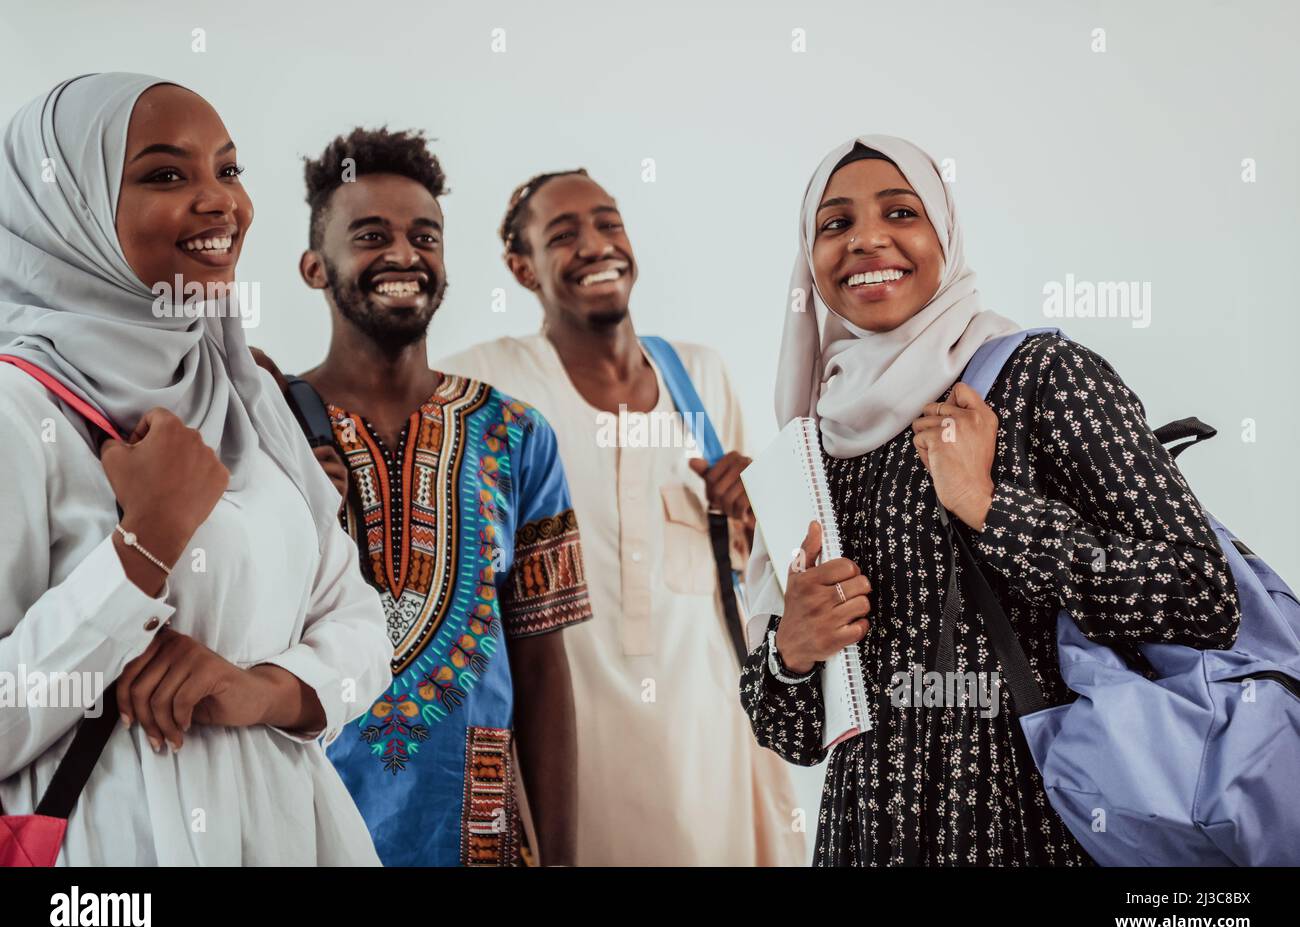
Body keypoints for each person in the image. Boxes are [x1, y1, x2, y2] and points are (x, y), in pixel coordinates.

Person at [741, 136, 1242, 866]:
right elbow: (790, 735)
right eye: (835, 223)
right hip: (872, 834)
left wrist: (988, 507)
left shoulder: (1040, 378)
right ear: (808, 260)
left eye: (901, 212)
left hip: (1038, 817)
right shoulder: (811, 443)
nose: (868, 239)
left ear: (944, 233)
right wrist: (791, 652)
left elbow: (1202, 595)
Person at [0, 73, 391, 865]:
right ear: (65, 211)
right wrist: (140, 553)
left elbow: (356, 621)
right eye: (165, 175)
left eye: (229, 170)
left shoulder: (244, 392)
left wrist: (269, 689)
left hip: (291, 831)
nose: (221, 203)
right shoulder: (19, 409)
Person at [437, 169, 806, 866]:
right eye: (564, 234)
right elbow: (383, 401)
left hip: (709, 749)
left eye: (608, 223)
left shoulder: (699, 378)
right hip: (567, 745)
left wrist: (754, 517)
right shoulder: (491, 385)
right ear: (522, 267)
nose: (596, 245)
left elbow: (762, 581)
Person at [254, 129, 593, 867]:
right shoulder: (263, 425)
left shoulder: (517, 434)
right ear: (316, 267)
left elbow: (542, 666)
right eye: (370, 235)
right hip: (309, 826)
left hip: (475, 838)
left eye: (425, 236)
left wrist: (563, 858)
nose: (404, 255)